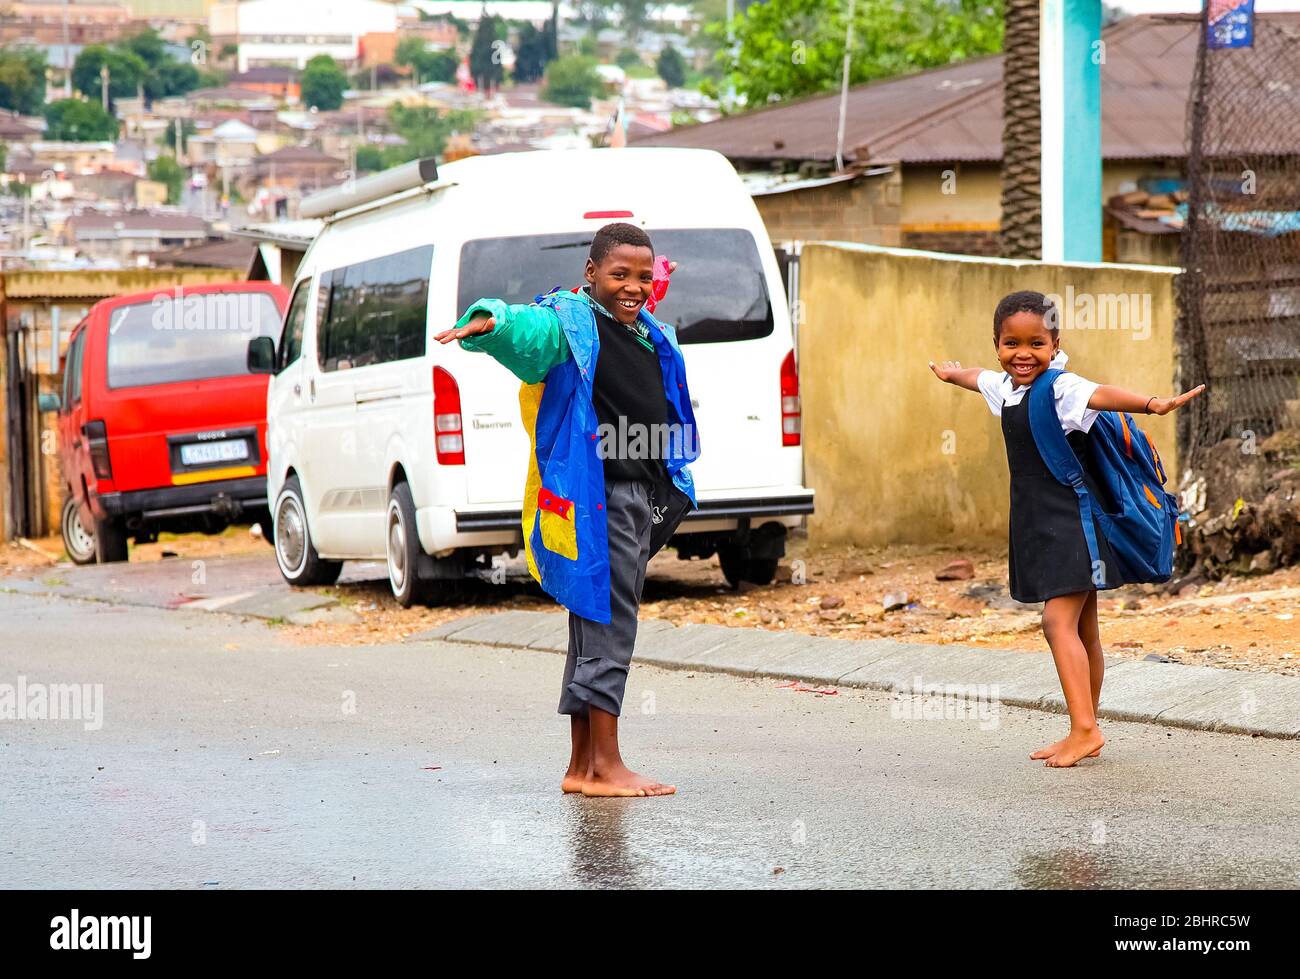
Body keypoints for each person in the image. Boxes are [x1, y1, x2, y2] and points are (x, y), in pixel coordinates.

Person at [433, 223, 698, 797]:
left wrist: (647, 296)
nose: (632, 287)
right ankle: (608, 766)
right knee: (608, 621)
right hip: (603, 497)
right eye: (618, 275)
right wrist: (494, 323)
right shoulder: (573, 324)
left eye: (642, 278)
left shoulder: (641, 329)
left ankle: (582, 766)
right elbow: (532, 330)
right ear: (590, 274)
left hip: (626, 494)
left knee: (588, 621)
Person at [928, 290, 1204, 768]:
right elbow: (981, 380)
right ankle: (1085, 724)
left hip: (1074, 523)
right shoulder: (1007, 388)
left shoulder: (1060, 388)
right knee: (1084, 630)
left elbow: (1101, 393)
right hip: (1041, 523)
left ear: (1056, 345)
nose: (1023, 354)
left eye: (1036, 343)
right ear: (996, 344)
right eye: (1011, 343)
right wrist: (954, 375)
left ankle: (1084, 729)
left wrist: (1152, 403)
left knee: (1057, 623)